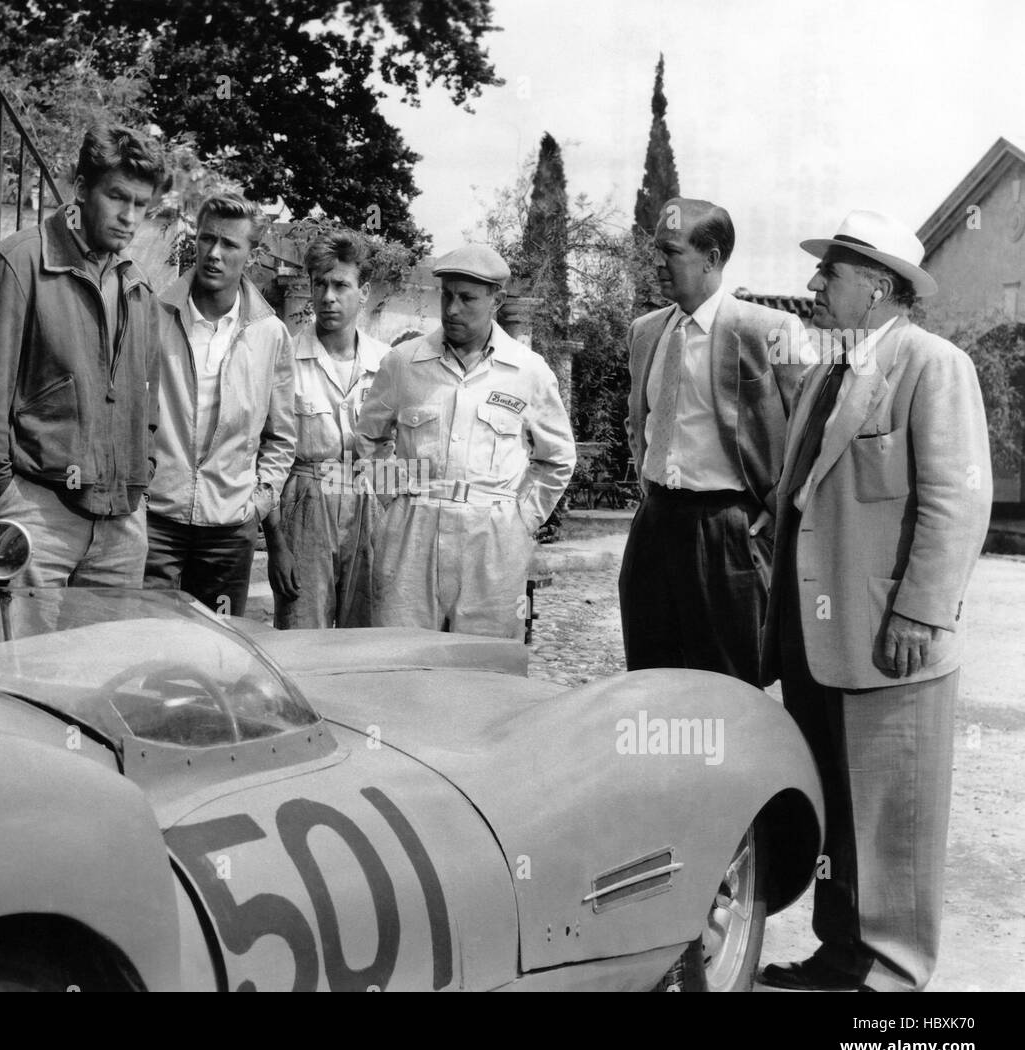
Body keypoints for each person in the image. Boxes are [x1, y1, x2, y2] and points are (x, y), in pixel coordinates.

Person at [759, 210, 993, 992]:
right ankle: (840, 954)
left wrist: (920, 611)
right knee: (838, 802)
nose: (814, 284)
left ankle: (891, 969)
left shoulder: (934, 365)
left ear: (878, 287)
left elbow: (957, 501)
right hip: (818, 634)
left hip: (890, 632)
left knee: (894, 812)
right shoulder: (826, 375)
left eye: (830, 272)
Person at [0, 123, 165, 587]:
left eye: (141, 204)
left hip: (121, 526)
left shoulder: (138, 286)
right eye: (117, 197)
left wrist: (142, 480)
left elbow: (149, 401)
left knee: (113, 641)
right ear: (81, 189)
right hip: (33, 514)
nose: (129, 216)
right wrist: (0, 490)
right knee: (12, 638)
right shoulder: (17, 263)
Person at [620, 196, 811, 684]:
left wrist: (781, 506)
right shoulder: (645, 332)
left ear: (712, 258)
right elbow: (639, 419)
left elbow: (813, 426)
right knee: (650, 678)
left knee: (728, 685)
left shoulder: (769, 330)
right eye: (656, 250)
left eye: (671, 251)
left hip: (728, 528)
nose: (658, 263)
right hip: (655, 524)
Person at [356, 243, 574, 639]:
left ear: (496, 301)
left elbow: (556, 457)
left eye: (467, 298)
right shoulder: (403, 363)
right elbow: (370, 439)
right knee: (401, 652)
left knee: (485, 660)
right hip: (412, 533)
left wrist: (522, 518)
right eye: (447, 296)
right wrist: (393, 502)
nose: (452, 309)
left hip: (493, 539)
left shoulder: (528, 371)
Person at [145, 193, 295, 616]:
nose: (214, 253)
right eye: (207, 238)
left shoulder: (270, 333)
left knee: (218, 645)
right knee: (144, 639)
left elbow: (281, 436)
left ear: (253, 254)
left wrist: (257, 503)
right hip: (155, 519)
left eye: (229, 244)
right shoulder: (155, 315)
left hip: (229, 530)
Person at [265, 229, 390, 628]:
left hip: (369, 500)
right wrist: (276, 545)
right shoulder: (285, 357)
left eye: (341, 285)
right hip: (306, 502)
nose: (328, 296)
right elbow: (265, 455)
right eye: (320, 284)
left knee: (367, 637)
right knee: (301, 633)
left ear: (363, 292)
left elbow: (403, 451)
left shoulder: (388, 363)